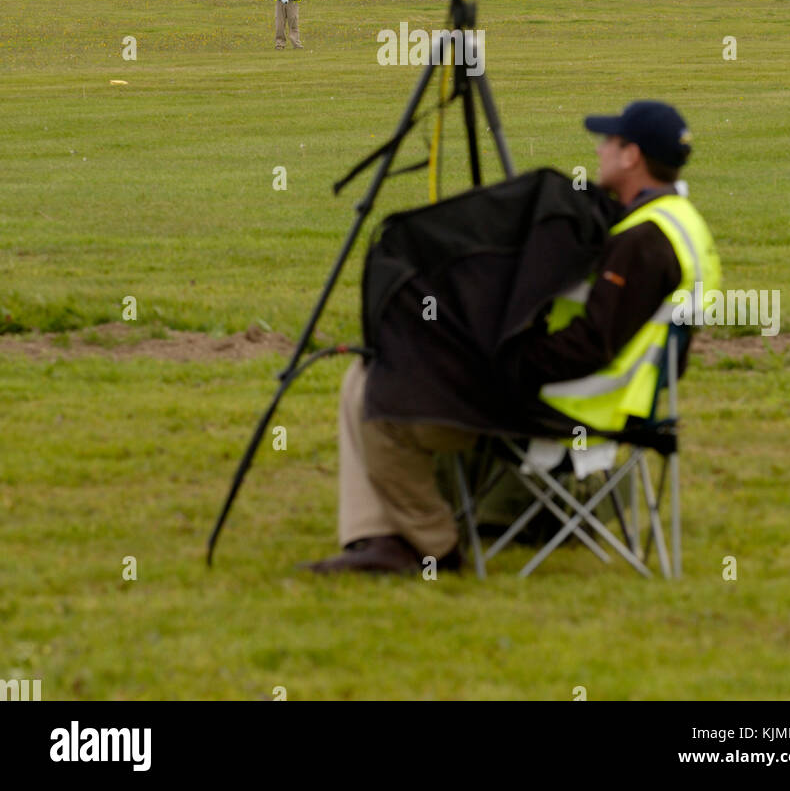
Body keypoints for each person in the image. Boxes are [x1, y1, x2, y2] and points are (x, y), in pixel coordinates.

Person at [304, 100, 720, 576]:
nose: (599, 150)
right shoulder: (674, 222)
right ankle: (377, 538)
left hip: (573, 404)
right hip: (592, 393)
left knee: (387, 402)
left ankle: (431, 547)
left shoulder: (644, 241)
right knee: (370, 371)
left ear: (631, 156)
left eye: (609, 141)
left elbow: (589, 346)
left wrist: (502, 362)